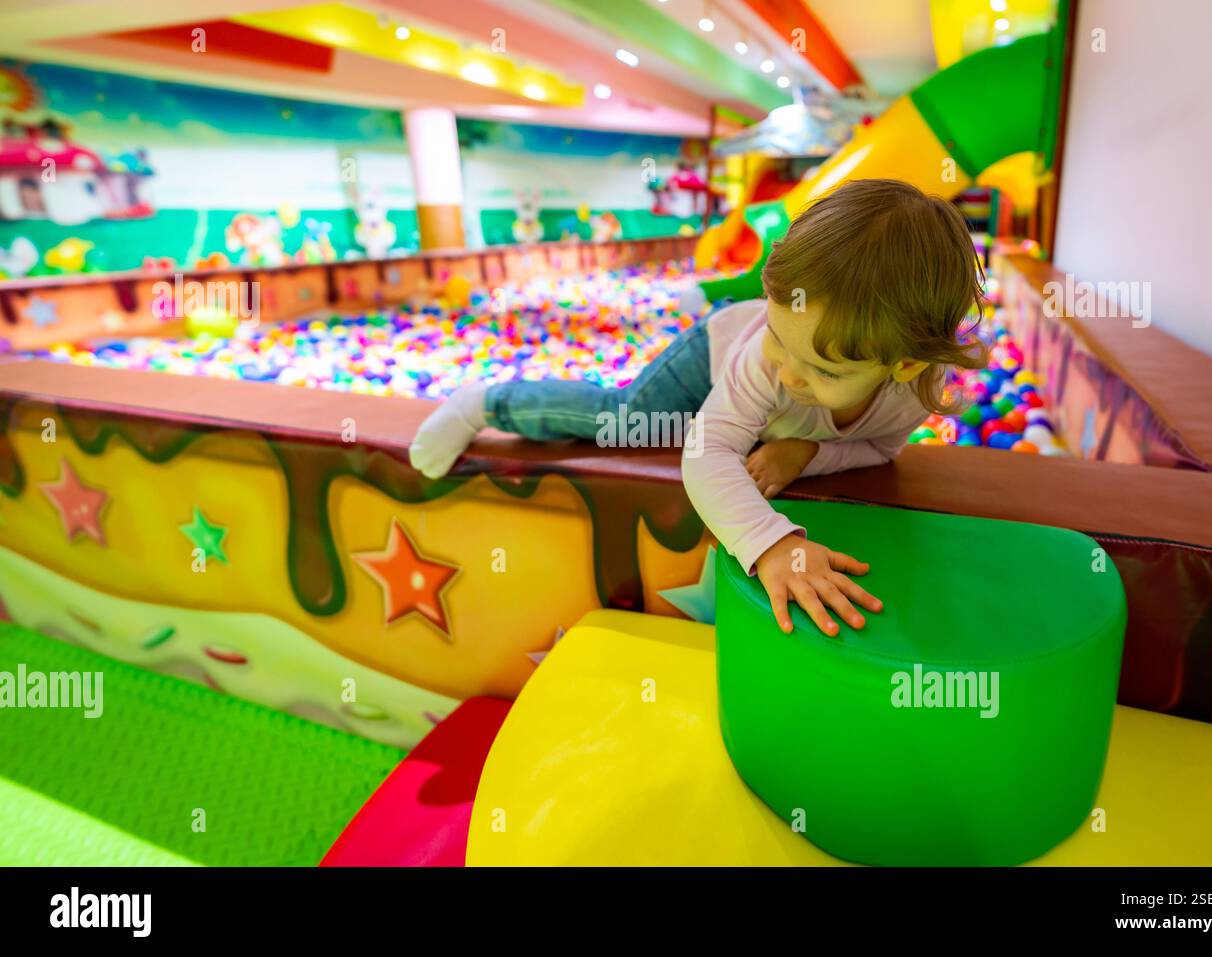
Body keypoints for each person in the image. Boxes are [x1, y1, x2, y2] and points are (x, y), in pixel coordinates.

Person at [410, 179, 985, 636]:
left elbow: (878, 450)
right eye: (779, 335)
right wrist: (773, 542)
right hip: (709, 357)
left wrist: (803, 454)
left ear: (904, 364)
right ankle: (485, 402)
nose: (788, 372)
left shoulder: (911, 395)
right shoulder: (762, 360)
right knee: (627, 422)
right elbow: (707, 453)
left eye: (824, 370)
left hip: (775, 423)